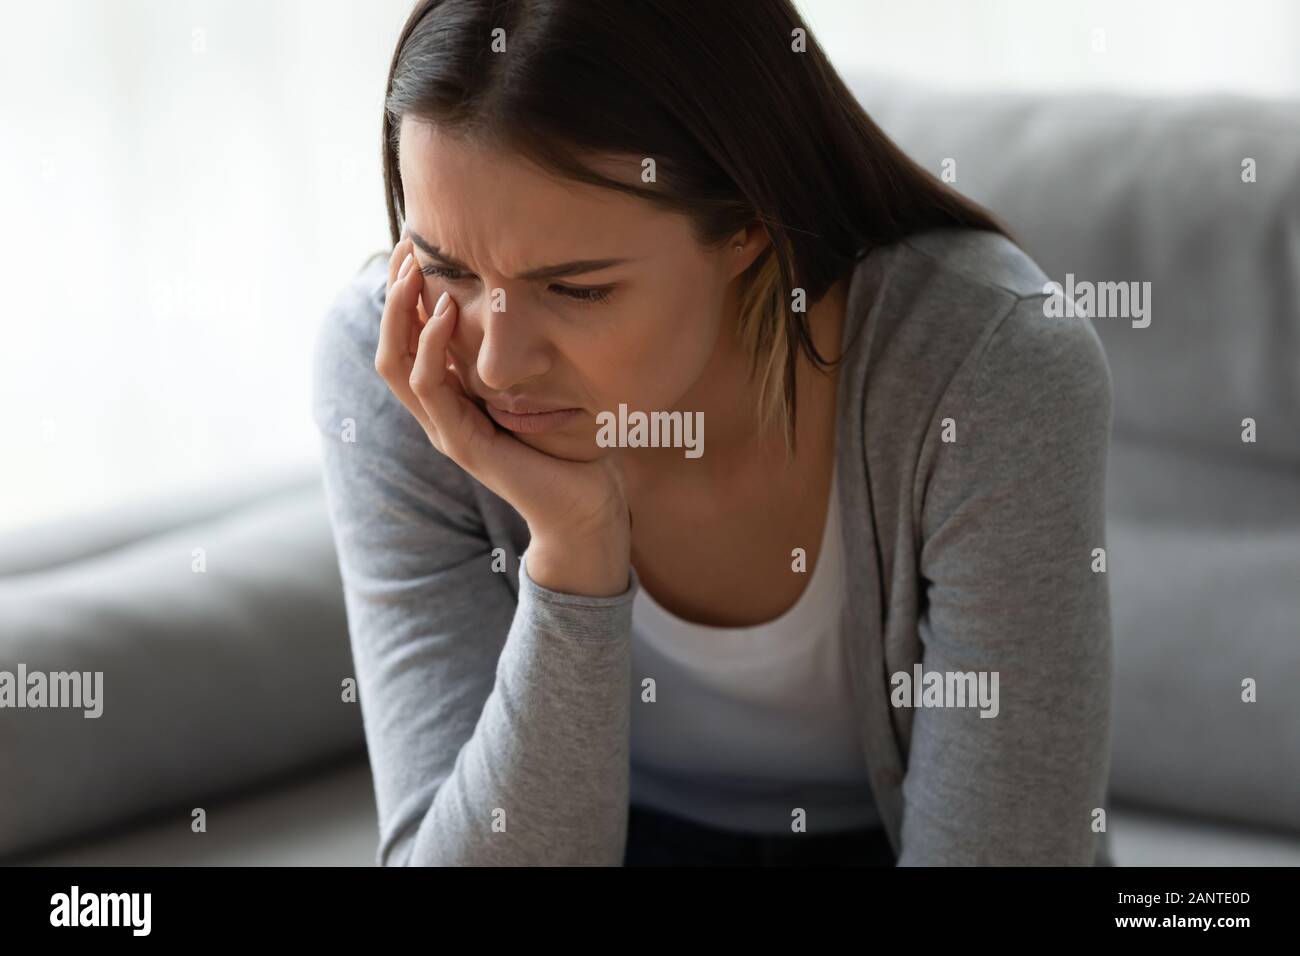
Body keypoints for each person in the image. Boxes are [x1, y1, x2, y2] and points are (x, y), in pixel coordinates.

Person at [311, 0, 1115, 866]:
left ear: (747, 226)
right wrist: (574, 551)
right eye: (446, 269)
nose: (498, 363)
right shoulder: (396, 368)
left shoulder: (987, 369)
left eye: (577, 290)